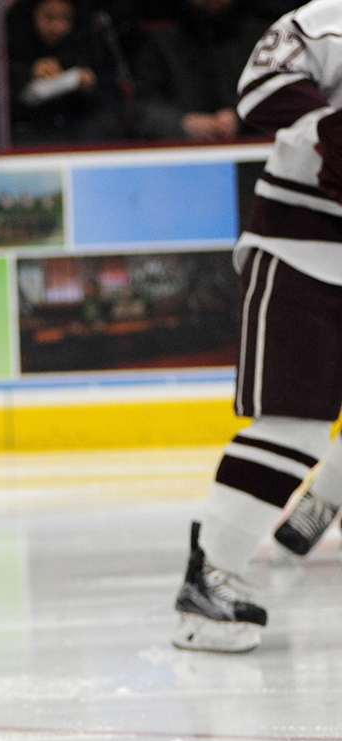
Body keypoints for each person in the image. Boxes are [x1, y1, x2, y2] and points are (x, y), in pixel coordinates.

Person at [170, 0, 342, 651]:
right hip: (304, 249)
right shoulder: (330, 17)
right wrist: (330, 131)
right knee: (294, 422)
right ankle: (213, 576)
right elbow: (261, 88)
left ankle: (324, 497)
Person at [128, 0, 271, 142]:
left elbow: (278, 95)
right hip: (180, 152)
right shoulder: (160, 44)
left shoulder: (264, 40)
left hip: (252, 150)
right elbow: (142, 109)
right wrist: (183, 124)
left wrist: (240, 117)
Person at [8, 0, 124, 144]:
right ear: (32, 15)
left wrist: (90, 85)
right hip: (30, 133)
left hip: (77, 132)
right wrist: (27, 74)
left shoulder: (88, 44)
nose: (57, 27)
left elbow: (112, 99)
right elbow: (1, 106)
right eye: (49, 17)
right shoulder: (11, 46)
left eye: (65, 18)